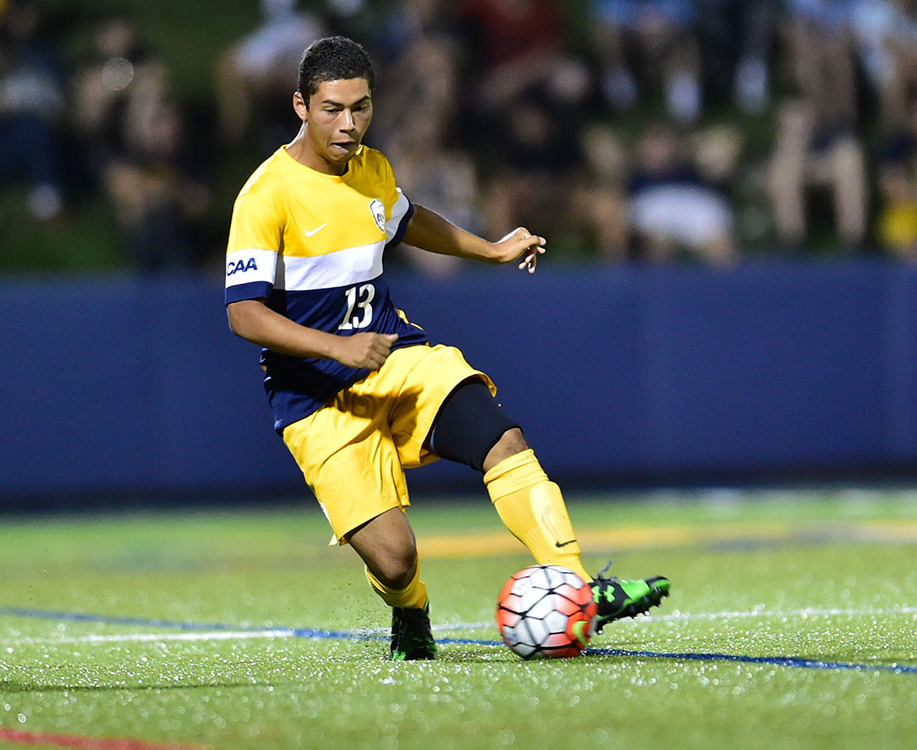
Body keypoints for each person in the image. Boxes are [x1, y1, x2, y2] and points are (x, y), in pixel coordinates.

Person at [223, 36, 671, 660]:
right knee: (396, 559)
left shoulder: (372, 168)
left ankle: (577, 585)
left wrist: (490, 248)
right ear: (301, 105)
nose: (349, 124)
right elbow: (244, 314)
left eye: (361, 107)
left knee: (502, 438)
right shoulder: (266, 194)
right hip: (314, 400)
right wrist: (337, 347)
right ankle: (410, 611)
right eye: (332, 109)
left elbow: (407, 219)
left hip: (394, 357)